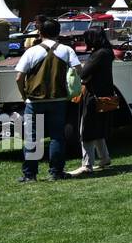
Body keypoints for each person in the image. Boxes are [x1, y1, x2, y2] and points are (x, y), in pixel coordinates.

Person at [14, 18, 80, 183]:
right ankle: (56, 172)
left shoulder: (31, 51)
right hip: (58, 98)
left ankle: (30, 174)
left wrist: (23, 95)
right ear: (58, 32)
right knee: (57, 137)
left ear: (40, 32)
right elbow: (79, 69)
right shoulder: (66, 50)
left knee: (32, 137)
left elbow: (19, 77)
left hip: (34, 100)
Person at [69, 26, 117, 176]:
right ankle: (104, 158)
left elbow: (83, 73)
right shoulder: (107, 52)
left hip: (93, 96)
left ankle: (87, 164)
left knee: (86, 130)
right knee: (97, 129)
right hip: (104, 96)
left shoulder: (99, 54)